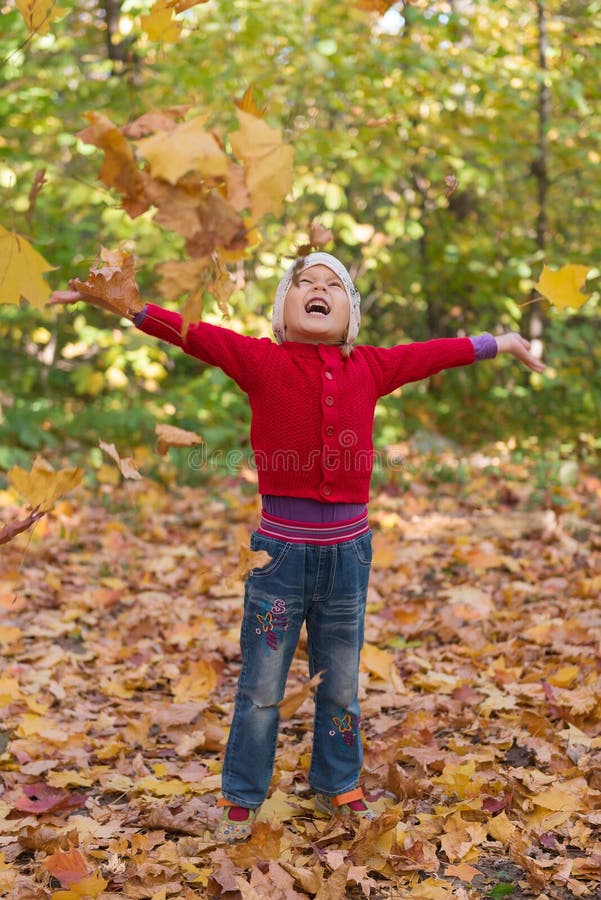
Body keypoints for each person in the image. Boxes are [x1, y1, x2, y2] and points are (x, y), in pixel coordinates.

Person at [50, 252, 545, 842]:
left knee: (339, 682)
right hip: (280, 556)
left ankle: (339, 782)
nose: (318, 288)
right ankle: (243, 793)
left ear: (349, 315)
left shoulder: (371, 366)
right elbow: (194, 335)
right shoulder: (262, 359)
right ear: (283, 313)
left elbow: (431, 353)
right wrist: (126, 306)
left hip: (347, 558)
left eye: (333, 285)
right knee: (262, 683)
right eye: (303, 283)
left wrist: (499, 341)